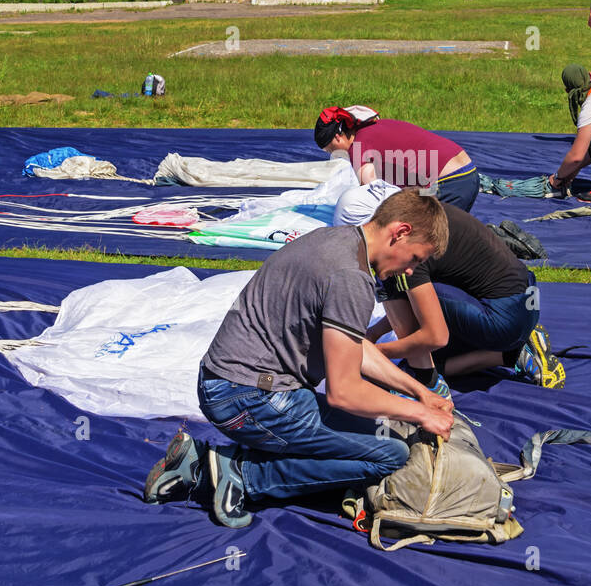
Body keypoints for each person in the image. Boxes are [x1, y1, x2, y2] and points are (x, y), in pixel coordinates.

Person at [143, 190, 454, 529]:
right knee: (389, 453)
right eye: (415, 259)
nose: (409, 271)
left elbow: (353, 346)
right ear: (400, 232)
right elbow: (344, 392)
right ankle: (238, 474)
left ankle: (204, 462)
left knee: (380, 430)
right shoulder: (352, 277)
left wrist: (418, 392)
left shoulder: (337, 241)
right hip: (248, 398)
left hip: (232, 383)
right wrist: (421, 413)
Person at [352, 187, 565, 391]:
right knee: (428, 355)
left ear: (399, 230)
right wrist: (372, 334)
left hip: (505, 315)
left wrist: (372, 353)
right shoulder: (430, 219)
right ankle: (514, 353)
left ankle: (510, 346)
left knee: (418, 364)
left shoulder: (411, 250)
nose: (409, 269)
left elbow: (433, 336)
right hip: (526, 302)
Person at [315, 105, 480, 212]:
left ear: (337, 137)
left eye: (329, 150)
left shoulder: (358, 146)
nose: (332, 155)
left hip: (448, 182)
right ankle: (493, 239)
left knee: (426, 242)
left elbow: (370, 195)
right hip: (467, 172)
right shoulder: (375, 127)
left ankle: (495, 243)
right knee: (450, 233)